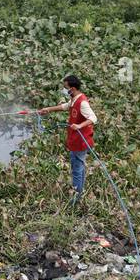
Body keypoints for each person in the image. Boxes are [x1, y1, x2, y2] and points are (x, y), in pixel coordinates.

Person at [38, 74, 98, 205]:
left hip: (81, 141)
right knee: (79, 167)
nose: (65, 90)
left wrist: (79, 125)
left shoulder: (82, 102)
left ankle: (76, 199)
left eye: (66, 87)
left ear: (73, 88)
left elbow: (93, 118)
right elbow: (65, 106)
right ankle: (79, 193)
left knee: (77, 169)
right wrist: (48, 109)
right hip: (76, 141)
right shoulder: (74, 99)